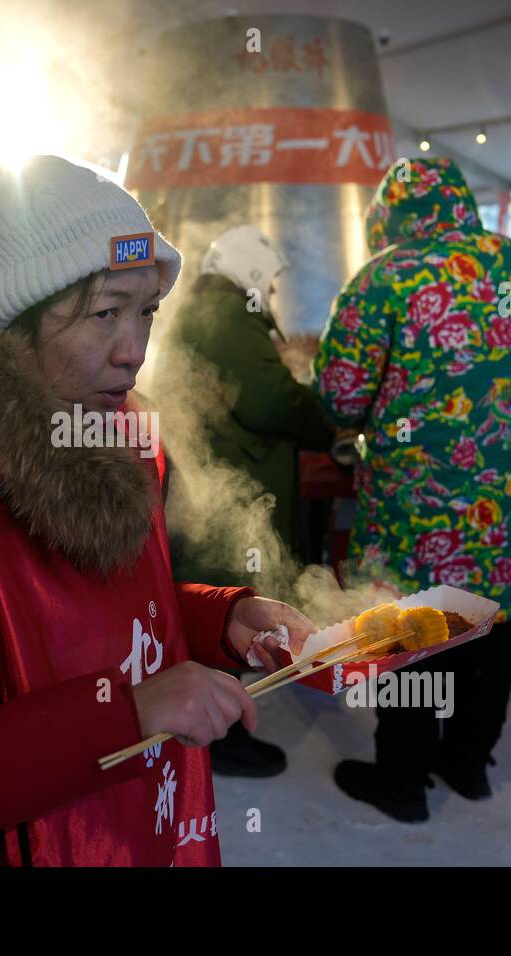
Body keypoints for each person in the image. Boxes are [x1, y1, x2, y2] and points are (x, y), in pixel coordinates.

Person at [0, 130, 318, 866]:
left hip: (130, 827)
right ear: (10, 321)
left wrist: (224, 617)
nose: (135, 349)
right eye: (106, 312)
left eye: (147, 312)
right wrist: (127, 716)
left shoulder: (115, 426)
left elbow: (98, 612)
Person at [313, 157, 511, 822]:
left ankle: (401, 779)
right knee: (492, 635)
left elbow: (340, 396)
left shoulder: (385, 279)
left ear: (388, 213)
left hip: (415, 515)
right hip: (509, 510)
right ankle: (468, 764)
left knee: (414, 640)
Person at [161, 225, 337, 778]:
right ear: (254, 274)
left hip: (209, 484)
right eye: (274, 281)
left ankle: (215, 728)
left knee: (217, 605)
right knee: (222, 606)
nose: (277, 294)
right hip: (223, 492)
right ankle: (220, 740)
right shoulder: (230, 319)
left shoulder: (207, 311)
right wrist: (324, 419)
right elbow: (269, 403)